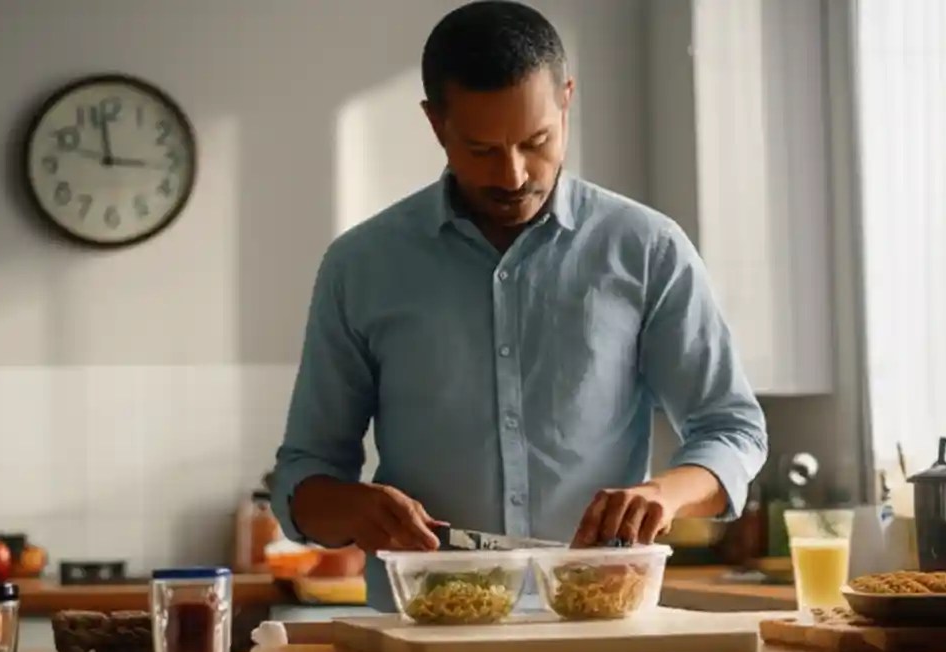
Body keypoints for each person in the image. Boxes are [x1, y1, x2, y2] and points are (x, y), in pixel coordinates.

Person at [270, 0, 768, 611]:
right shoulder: (360, 266)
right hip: (421, 634)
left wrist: (663, 494)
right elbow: (304, 472)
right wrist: (351, 507)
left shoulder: (648, 249)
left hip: (599, 623)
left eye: (536, 142)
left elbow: (731, 429)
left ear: (566, 100)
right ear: (435, 124)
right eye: (481, 150)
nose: (512, 175)